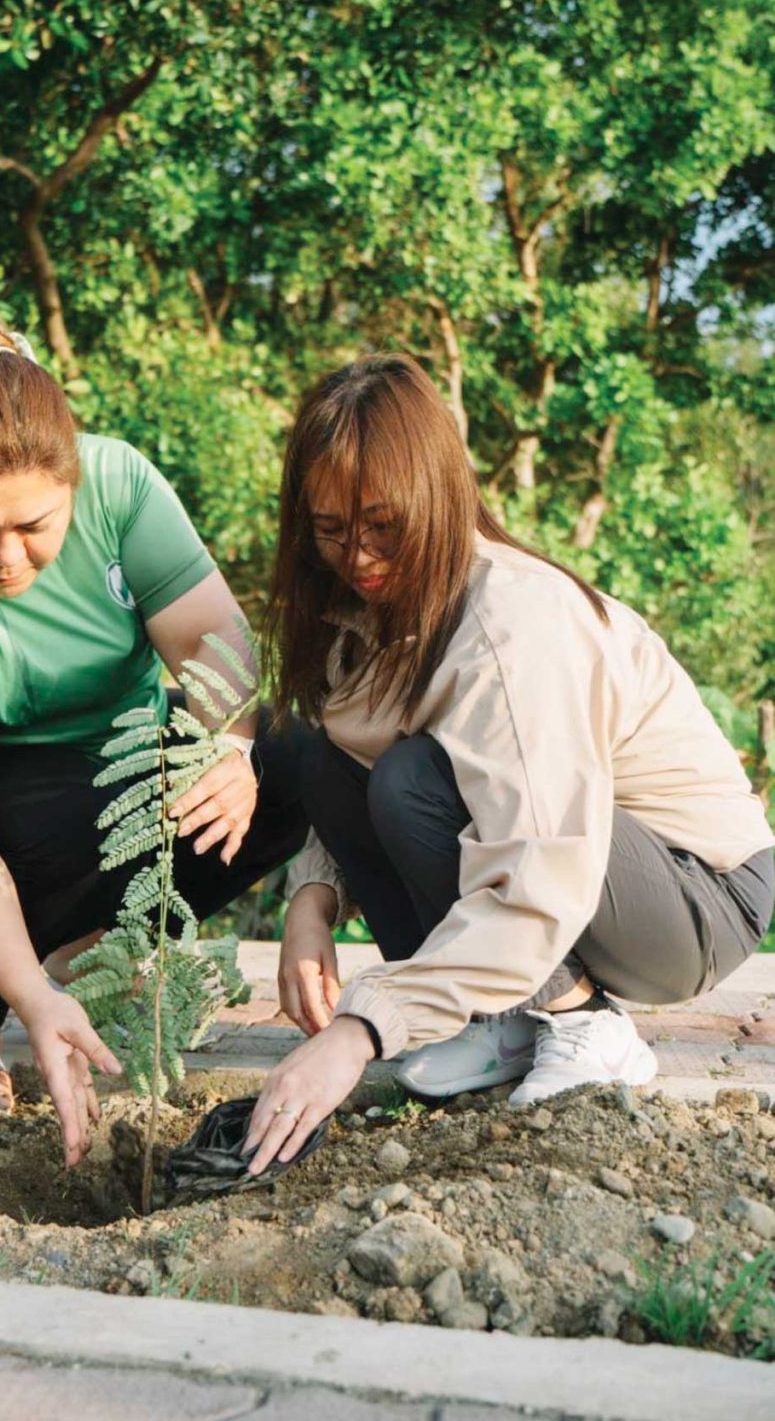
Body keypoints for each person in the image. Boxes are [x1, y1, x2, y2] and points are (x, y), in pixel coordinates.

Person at [243, 353, 774, 1179]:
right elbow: (344, 767)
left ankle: (583, 1025)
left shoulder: (513, 624)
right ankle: (498, 1020)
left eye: (383, 524)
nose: (358, 554)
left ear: (438, 497)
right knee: (317, 756)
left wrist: (361, 1028)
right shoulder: (360, 613)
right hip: (566, 868)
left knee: (416, 778)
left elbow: (539, 875)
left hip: (693, 895)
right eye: (331, 529)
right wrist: (311, 900)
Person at [0, 320, 307, 1168]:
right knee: (77, 831)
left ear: (73, 481)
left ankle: (80, 940)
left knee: (293, 760)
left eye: (33, 525)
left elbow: (214, 642)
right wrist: (32, 1000)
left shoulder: (119, 481)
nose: (7, 559)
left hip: (108, 749)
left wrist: (231, 754)